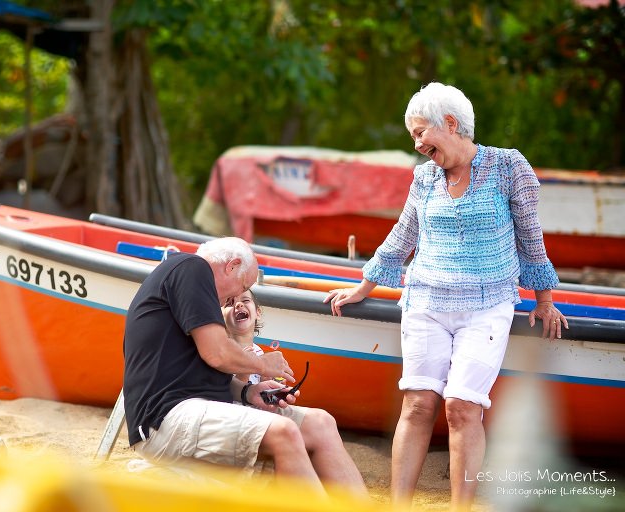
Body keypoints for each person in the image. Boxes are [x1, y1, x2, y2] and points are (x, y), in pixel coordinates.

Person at [323, 82, 568, 511]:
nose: (417, 145)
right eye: (413, 136)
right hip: (426, 304)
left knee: (461, 406)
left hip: (487, 305)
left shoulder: (509, 166)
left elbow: (531, 237)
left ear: (451, 124)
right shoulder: (424, 177)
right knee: (417, 404)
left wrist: (544, 300)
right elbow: (403, 235)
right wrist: (365, 284)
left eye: (420, 133)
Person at [123, 237, 343, 494]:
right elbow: (216, 354)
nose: (237, 296)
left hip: (194, 408)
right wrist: (262, 363)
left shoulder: (193, 291)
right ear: (231, 266)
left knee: (321, 423)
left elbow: (192, 371)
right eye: (242, 285)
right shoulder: (192, 268)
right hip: (163, 419)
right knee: (284, 432)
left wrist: (247, 392)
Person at [222, 290, 367, 494]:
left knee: (324, 420)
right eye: (230, 302)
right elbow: (230, 390)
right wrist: (247, 370)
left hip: (257, 415)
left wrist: (275, 391)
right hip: (233, 419)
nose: (238, 305)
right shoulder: (222, 349)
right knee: (293, 433)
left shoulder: (259, 352)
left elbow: (261, 389)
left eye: (245, 301)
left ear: (258, 313)